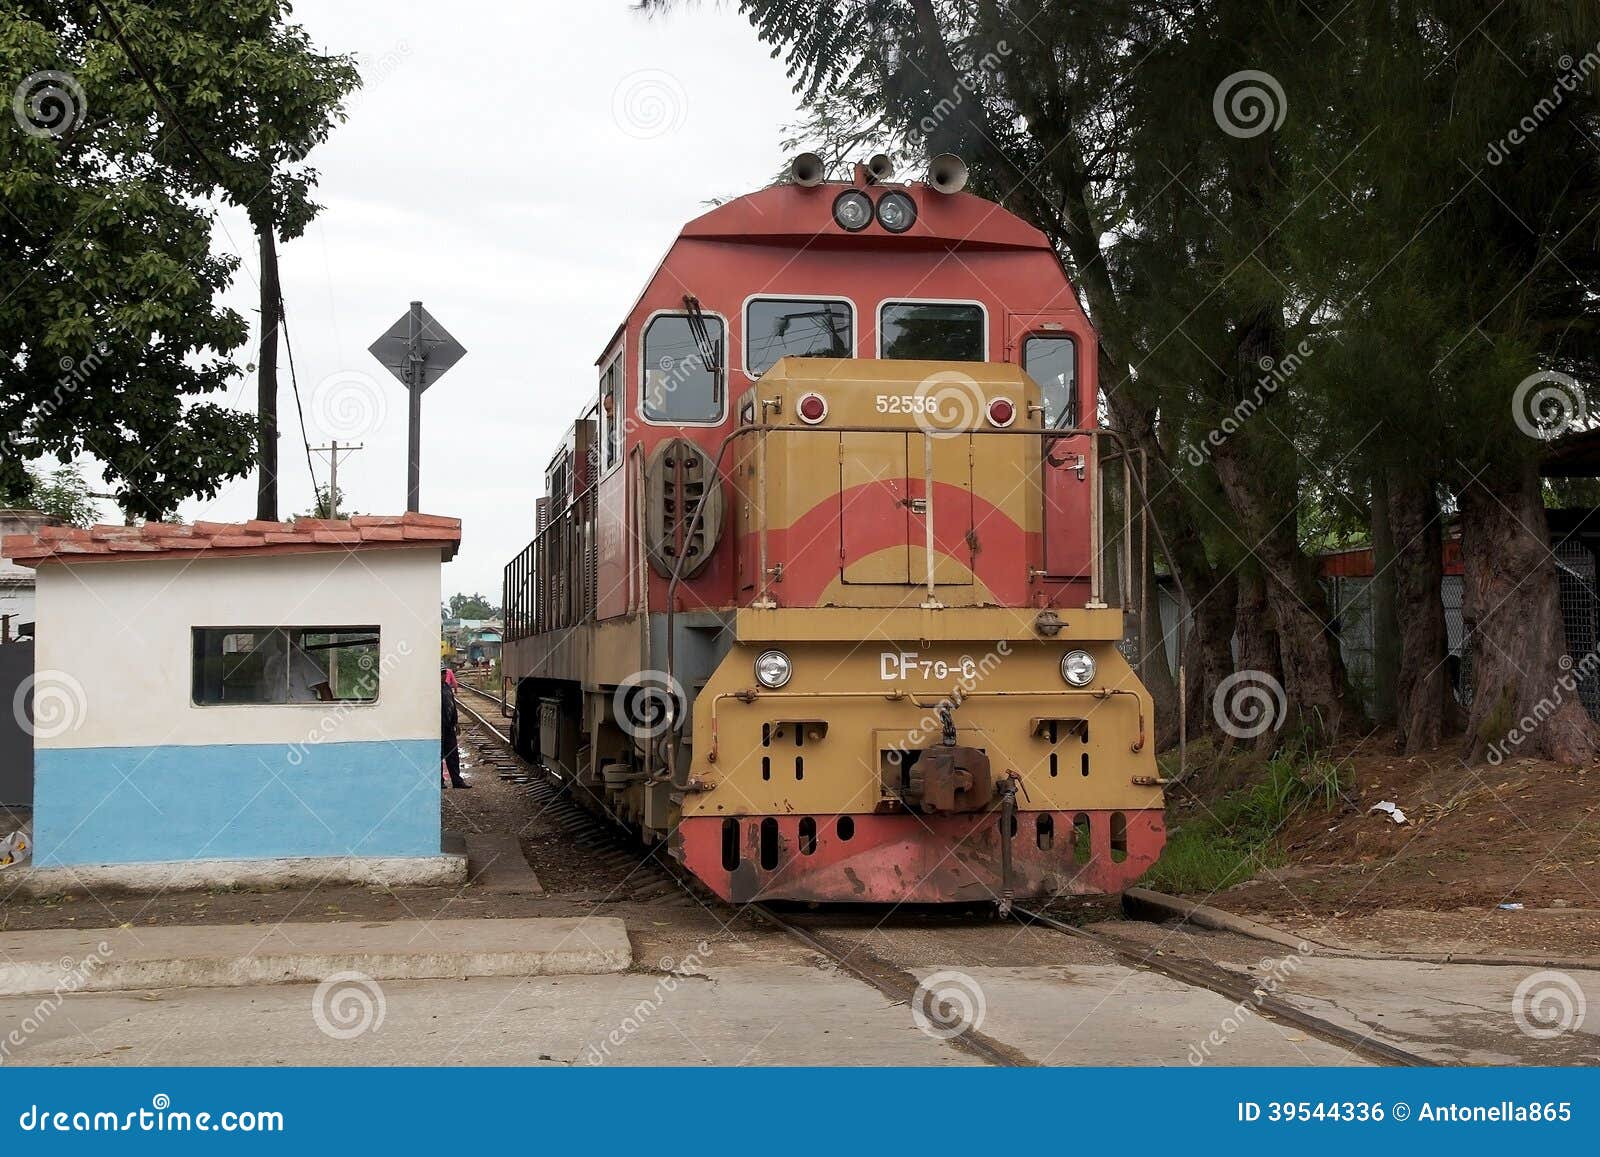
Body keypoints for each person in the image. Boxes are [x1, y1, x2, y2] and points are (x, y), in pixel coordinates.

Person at [441, 667, 470, 789]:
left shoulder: (446, 687)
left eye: (444, 673)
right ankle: (440, 781)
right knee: (439, 754)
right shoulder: (432, 689)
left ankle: (457, 781)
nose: (442, 676)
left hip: (449, 726)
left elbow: (452, 704)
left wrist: (456, 722)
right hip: (439, 727)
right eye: (440, 673)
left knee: (453, 754)